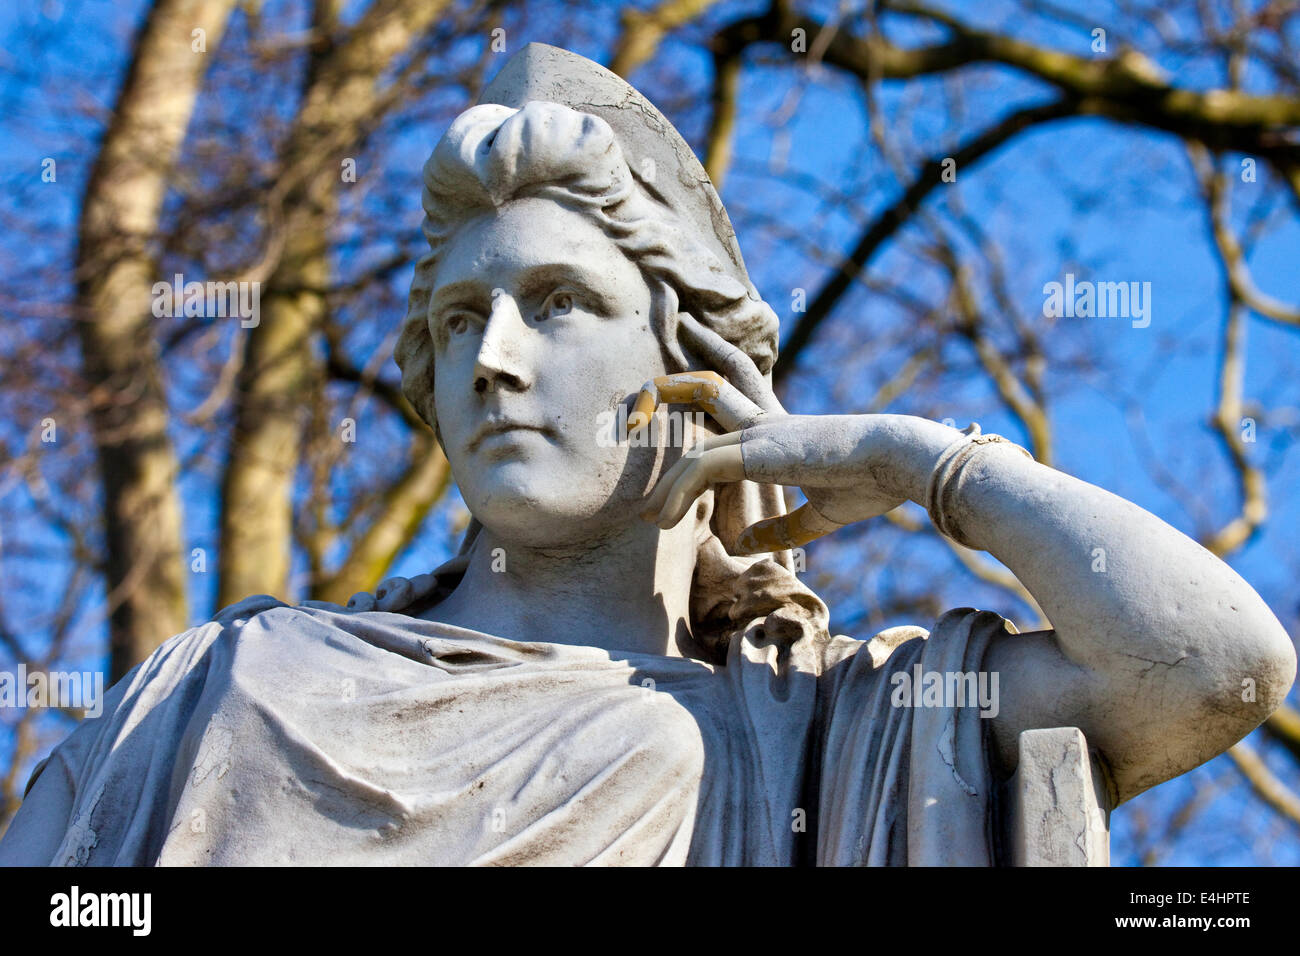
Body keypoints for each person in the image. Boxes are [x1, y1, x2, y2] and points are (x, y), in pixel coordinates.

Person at [0, 77, 1292, 867]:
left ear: (688, 366)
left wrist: (923, 463)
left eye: (556, 304)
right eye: (458, 321)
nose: (494, 362)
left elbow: (1211, 666)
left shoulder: (839, 724)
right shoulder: (220, 686)